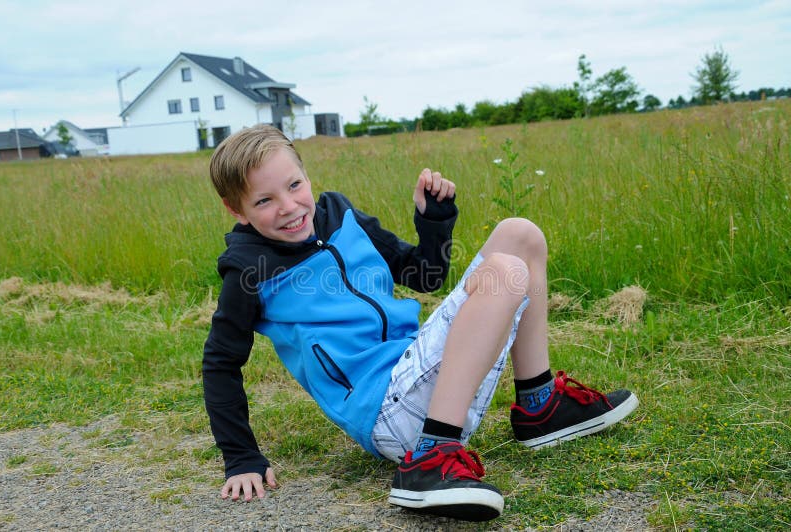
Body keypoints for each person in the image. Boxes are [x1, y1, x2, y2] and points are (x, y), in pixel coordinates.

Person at [202, 125, 639, 522]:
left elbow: (424, 276)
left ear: (306, 175)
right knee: (505, 272)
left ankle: (541, 404)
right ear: (235, 209)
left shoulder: (339, 215)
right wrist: (242, 458)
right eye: (264, 200)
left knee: (519, 233)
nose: (289, 207)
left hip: (414, 370)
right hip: (386, 411)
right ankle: (433, 458)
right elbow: (220, 364)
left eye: (294, 185)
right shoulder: (248, 271)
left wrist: (434, 220)